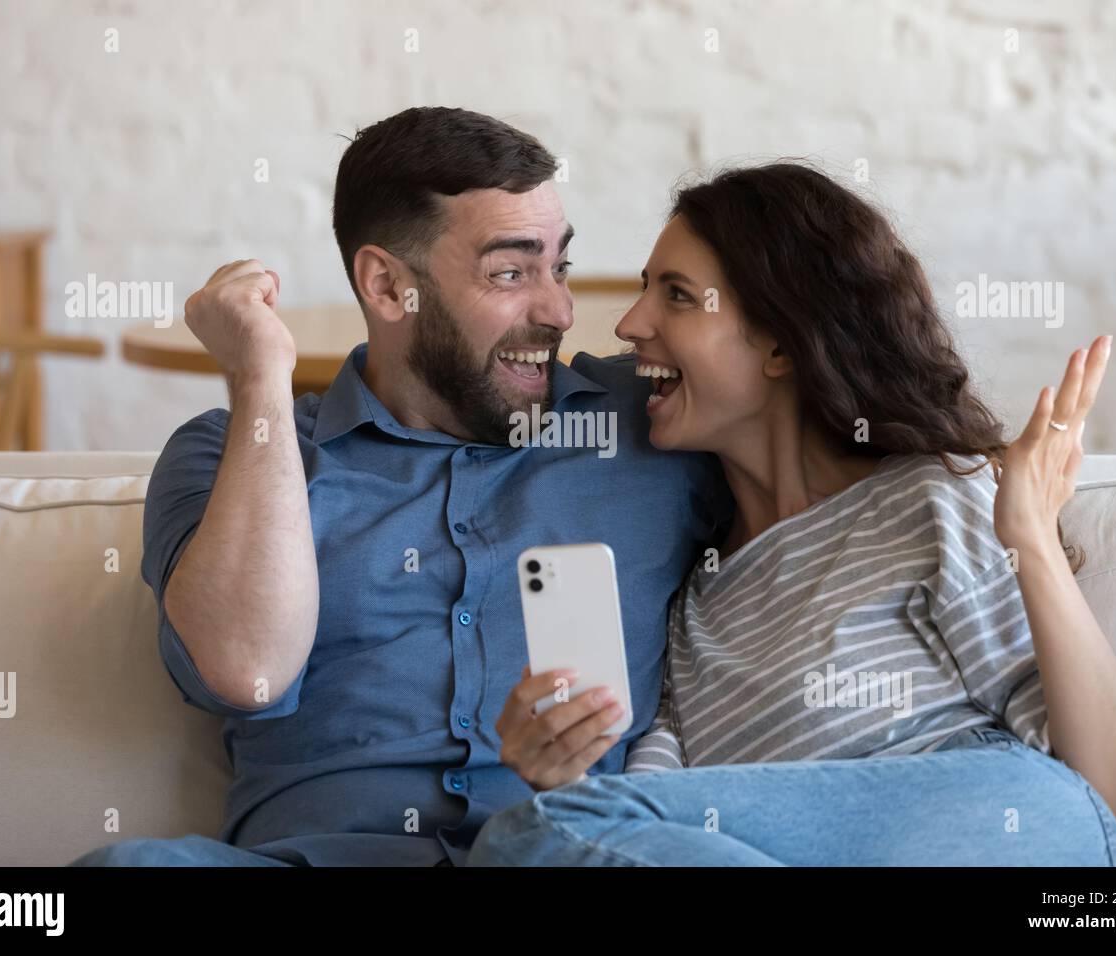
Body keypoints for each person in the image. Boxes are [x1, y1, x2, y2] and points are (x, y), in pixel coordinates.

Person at [71, 107, 731, 867]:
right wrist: (259, 375)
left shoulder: (649, 423)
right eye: (511, 272)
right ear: (387, 286)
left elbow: (830, 375)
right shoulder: (231, 453)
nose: (559, 311)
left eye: (560, 267)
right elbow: (243, 669)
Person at [468, 161, 1116, 867]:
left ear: (779, 343)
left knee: (522, 837)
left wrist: (1029, 540)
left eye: (677, 296)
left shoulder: (935, 500)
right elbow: (642, 834)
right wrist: (566, 773)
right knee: (545, 832)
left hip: (1007, 817)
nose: (629, 323)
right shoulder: (692, 613)